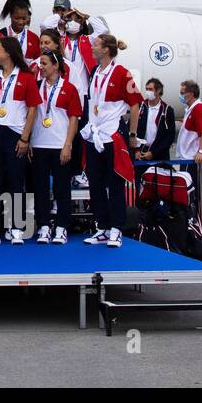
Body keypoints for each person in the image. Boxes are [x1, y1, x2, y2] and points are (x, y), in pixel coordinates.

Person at [0, 36, 41, 245]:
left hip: (15, 133)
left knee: (16, 179)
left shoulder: (26, 77)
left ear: (9, 53)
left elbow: (32, 109)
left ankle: (16, 226)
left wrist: (25, 138)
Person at [80, 33, 143, 248]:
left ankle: (116, 228)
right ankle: (102, 227)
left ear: (106, 49)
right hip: (94, 135)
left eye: (96, 45)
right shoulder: (95, 72)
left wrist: (133, 135)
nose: (92, 48)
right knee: (95, 184)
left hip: (112, 135)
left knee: (115, 184)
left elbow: (135, 104)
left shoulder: (122, 73)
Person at [28, 49, 82, 244]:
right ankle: (43, 225)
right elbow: (31, 115)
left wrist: (68, 144)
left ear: (56, 65)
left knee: (61, 188)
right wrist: (30, 140)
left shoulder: (69, 89)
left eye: (44, 64)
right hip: (39, 144)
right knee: (40, 187)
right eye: (39, 64)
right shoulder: (36, 86)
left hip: (60, 144)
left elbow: (74, 118)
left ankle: (61, 226)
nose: (40, 68)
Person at [134, 78, 175, 163]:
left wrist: (153, 153)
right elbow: (132, 129)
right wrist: (136, 150)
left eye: (150, 89)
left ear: (158, 91)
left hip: (159, 155)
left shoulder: (167, 110)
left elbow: (170, 136)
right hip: (140, 154)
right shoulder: (140, 107)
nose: (147, 92)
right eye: (146, 89)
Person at [177, 80, 202, 173]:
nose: (180, 95)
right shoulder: (190, 109)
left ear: (191, 94)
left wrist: (200, 152)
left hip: (192, 158)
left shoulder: (199, 108)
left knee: (191, 186)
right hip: (186, 156)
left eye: (182, 93)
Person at [0, 0, 40, 64]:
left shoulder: (34, 38)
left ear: (28, 17)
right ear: (11, 16)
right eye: (17, 18)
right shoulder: (0, 35)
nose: (21, 22)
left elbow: (38, 61)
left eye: (24, 18)